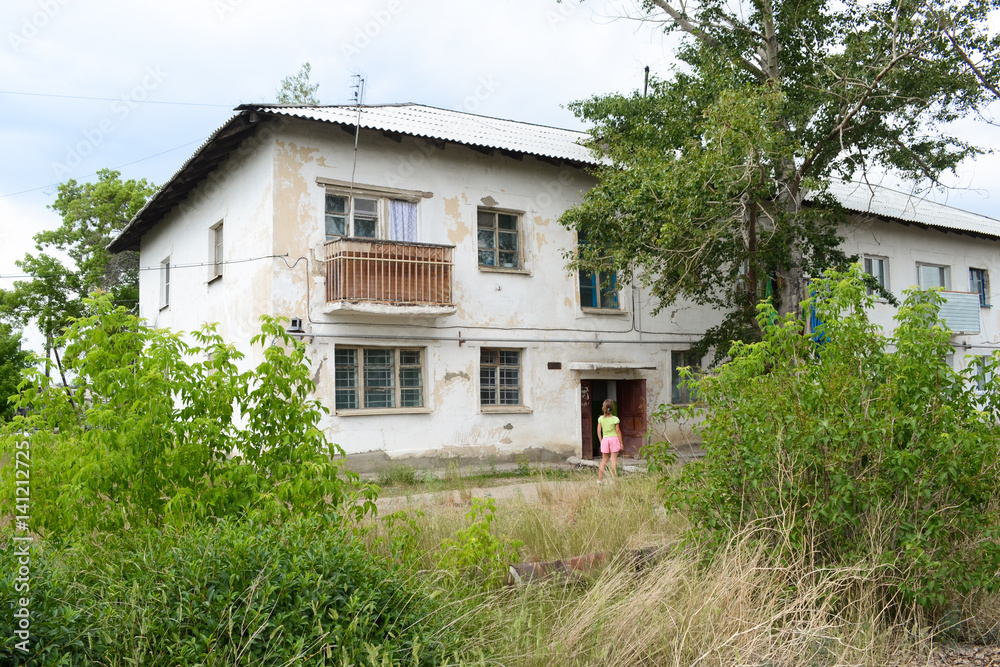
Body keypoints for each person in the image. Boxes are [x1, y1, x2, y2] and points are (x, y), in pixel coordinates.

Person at [596, 398, 623, 484]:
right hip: (614, 440)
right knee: (613, 460)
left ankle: (599, 480)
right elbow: (618, 431)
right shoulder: (615, 419)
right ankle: (613, 480)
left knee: (604, 460)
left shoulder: (600, 419)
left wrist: (601, 441)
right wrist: (621, 443)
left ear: (603, 408)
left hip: (605, 440)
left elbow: (598, 431)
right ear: (612, 408)